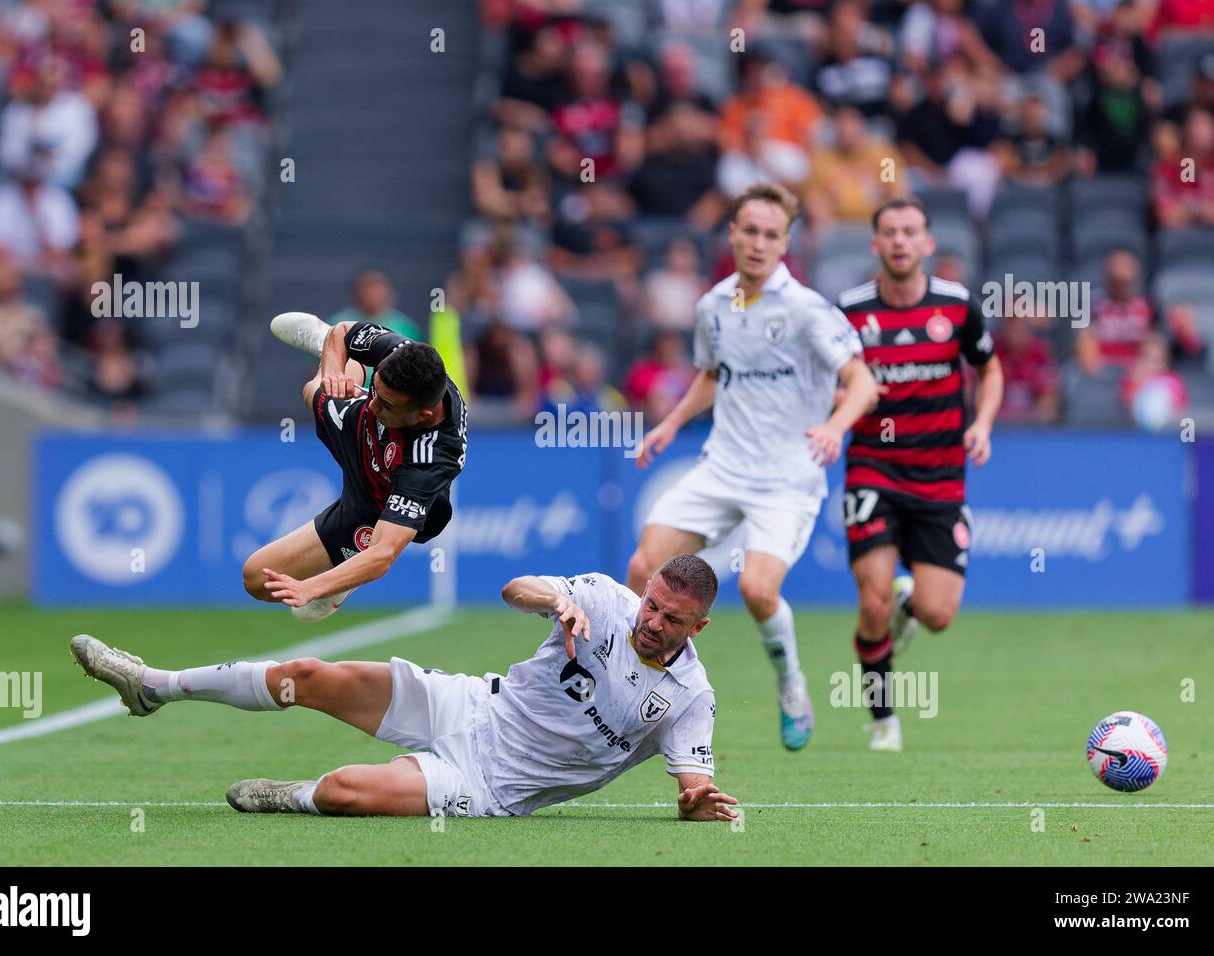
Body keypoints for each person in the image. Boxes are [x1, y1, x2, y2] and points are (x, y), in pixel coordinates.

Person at [68, 556, 739, 822]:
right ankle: (151, 685)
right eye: (651, 605)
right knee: (309, 678)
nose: (650, 623)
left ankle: (288, 797)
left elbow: (692, 786)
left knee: (341, 791)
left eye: (670, 619)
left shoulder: (689, 698)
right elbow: (516, 589)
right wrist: (555, 602)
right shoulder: (605, 600)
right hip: (474, 703)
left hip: (492, 787)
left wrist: (696, 801)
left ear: (700, 627)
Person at [626, 182, 878, 752]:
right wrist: (669, 424)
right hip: (723, 467)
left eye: (772, 235)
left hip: (787, 478)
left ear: (785, 242)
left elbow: (863, 381)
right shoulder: (713, 306)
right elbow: (713, 375)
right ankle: (631, 686)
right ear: (732, 234)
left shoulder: (808, 310)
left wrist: (835, 427)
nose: (760, 243)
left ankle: (791, 685)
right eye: (751, 232)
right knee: (644, 563)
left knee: (760, 592)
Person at [835, 197, 1003, 751]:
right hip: (873, 470)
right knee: (873, 598)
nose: (901, 241)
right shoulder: (850, 311)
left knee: (937, 615)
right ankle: (883, 720)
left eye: (911, 231)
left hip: (941, 479)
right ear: (876, 245)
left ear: (928, 243)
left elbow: (990, 368)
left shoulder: (956, 307)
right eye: (890, 232)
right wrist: (841, 406)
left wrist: (981, 423)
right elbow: (825, 380)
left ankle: (912, 604)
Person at [249, 312, 467, 621]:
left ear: (423, 414)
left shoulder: (429, 460)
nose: (373, 402)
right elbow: (343, 331)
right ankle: (320, 339)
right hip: (362, 431)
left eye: (387, 403)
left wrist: (312, 587)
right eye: (375, 389)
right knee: (314, 389)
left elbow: (382, 554)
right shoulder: (400, 354)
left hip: (377, 501)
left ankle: (342, 575)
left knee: (257, 579)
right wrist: (334, 373)